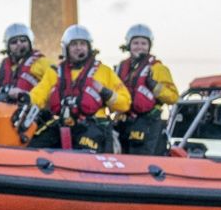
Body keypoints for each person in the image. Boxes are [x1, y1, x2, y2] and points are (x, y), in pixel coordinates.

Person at [25, 25, 129, 151]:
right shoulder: (55, 72)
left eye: (82, 44)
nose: (78, 47)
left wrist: (105, 92)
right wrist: (24, 98)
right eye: (74, 44)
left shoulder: (104, 72)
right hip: (63, 124)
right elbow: (38, 94)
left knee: (83, 148)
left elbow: (125, 103)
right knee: (33, 146)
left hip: (95, 125)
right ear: (66, 48)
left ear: (89, 47)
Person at [0, 23, 57, 141]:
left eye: (23, 41)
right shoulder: (1, 67)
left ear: (30, 43)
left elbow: (57, 77)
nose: (19, 44)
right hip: (1, 115)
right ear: (7, 46)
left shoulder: (41, 63)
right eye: (14, 42)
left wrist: (26, 95)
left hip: (30, 117)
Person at [113, 25, 179, 155]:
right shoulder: (120, 68)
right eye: (135, 43)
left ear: (149, 46)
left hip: (148, 123)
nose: (139, 46)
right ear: (128, 45)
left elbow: (173, 97)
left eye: (143, 43)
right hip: (123, 122)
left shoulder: (158, 68)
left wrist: (154, 86)